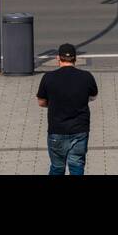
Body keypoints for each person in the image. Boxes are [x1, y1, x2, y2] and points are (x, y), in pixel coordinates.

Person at [36, 43, 98, 176]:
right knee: (76, 167)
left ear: (58, 58)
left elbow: (41, 102)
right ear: (75, 59)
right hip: (79, 130)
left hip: (56, 131)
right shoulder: (86, 76)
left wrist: (53, 103)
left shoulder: (48, 77)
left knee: (57, 168)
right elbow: (93, 96)